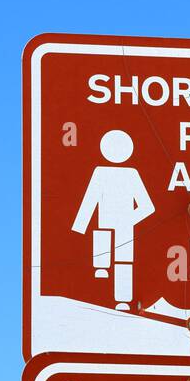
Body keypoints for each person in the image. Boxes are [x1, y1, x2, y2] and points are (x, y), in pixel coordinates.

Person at [71, 129, 155, 310]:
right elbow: (90, 199)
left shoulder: (131, 174)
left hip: (125, 226)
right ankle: (101, 267)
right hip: (105, 224)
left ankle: (123, 300)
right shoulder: (100, 173)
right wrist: (80, 225)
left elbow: (147, 206)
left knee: (124, 262)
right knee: (102, 249)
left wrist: (128, 220)